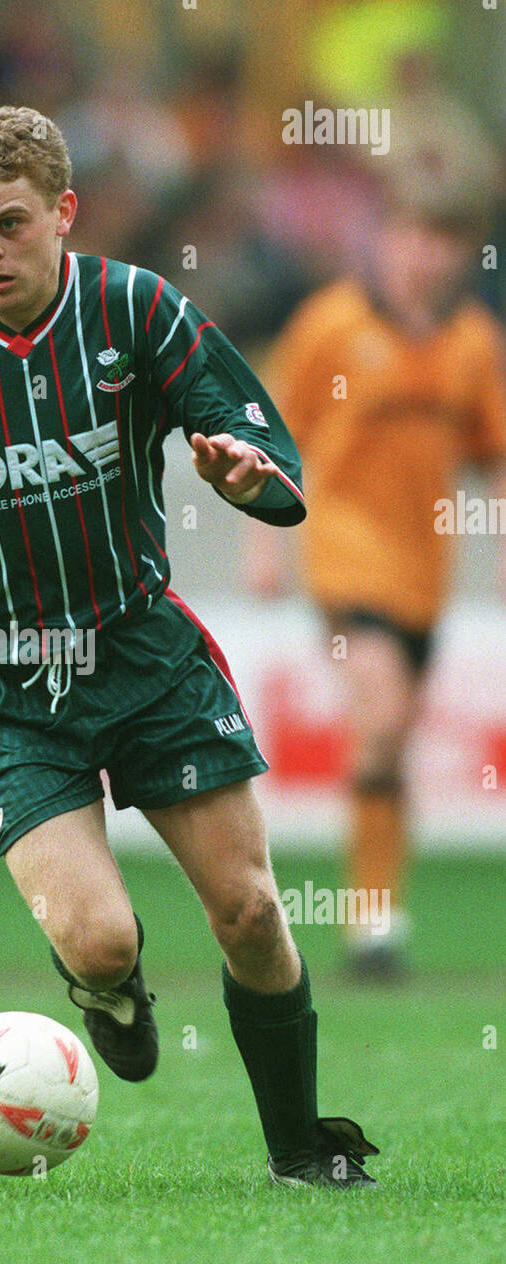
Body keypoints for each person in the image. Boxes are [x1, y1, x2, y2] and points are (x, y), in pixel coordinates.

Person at [0, 105, 378, 1188]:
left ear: (63, 212)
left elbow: (257, 437)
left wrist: (243, 475)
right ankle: (108, 991)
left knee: (249, 908)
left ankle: (301, 1150)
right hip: (0, 681)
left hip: (142, 651)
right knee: (103, 939)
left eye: (7, 223)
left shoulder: (138, 312)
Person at [251, 183, 506, 981]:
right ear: (384, 240)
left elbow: (490, 453)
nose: (426, 255)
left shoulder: (470, 340)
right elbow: (265, 430)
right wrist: (261, 543)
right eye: (412, 235)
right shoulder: (330, 325)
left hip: (425, 573)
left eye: (443, 239)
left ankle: (376, 916)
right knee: (384, 716)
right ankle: (369, 925)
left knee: (388, 747)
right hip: (343, 555)